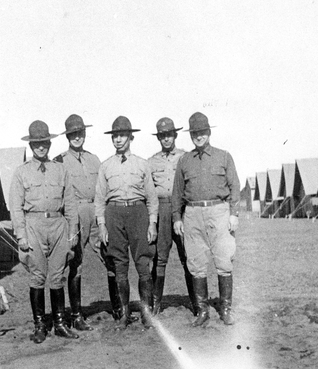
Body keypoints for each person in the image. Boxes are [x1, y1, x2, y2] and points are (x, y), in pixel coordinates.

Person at [9, 120, 80, 343]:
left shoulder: (60, 170)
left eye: (45, 143)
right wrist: (21, 235)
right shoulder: (21, 173)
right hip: (34, 227)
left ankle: (59, 323)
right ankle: (40, 325)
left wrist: (73, 231)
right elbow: (16, 207)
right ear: (31, 146)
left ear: (49, 143)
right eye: (37, 144)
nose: (41, 147)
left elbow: (70, 202)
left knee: (57, 275)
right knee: (37, 275)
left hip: (58, 225)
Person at [172, 112, 240, 327]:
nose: (198, 136)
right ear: (191, 135)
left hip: (219, 211)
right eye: (194, 133)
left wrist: (233, 214)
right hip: (192, 214)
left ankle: (225, 309)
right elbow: (177, 193)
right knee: (196, 263)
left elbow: (235, 186)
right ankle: (202, 311)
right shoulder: (185, 160)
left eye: (202, 132)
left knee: (223, 260)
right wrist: (177, 218)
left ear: (209, 132)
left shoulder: (224, 156)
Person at [94, 116, 159, 329]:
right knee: (119, 265)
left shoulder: (142, 164)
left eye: (122, 135)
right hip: (114, 214)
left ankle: (146, 312)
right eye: (115, 136)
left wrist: (152, 223)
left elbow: (151, 197)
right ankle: (123, 313)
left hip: (138, 212)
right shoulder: (105, 167)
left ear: (130, 137)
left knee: (142, 263)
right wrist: (102, 225)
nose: (118, 140)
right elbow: (99, 199)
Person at [52, 114, 108, 330]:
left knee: (109, 254)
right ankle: (76, 315)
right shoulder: (59, 161)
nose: (77, 137)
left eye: (80, 133)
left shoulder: (94, 159)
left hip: (97, 210)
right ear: (67, 136)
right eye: (73, 134)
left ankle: (119, 309)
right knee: (75, 262)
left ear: (85, 133)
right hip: (75, 213)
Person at [147, 117, 196, 316]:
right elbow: (148, 191)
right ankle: (155, 304)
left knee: (188, 255)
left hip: (182, 209)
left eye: (169, 135)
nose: (166, 139)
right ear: (158, 138)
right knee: (160, 258)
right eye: (162, 136)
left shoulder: (185, 157)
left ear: (175, 135)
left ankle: (196, 303)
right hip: (162, 208)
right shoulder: (151, 161)